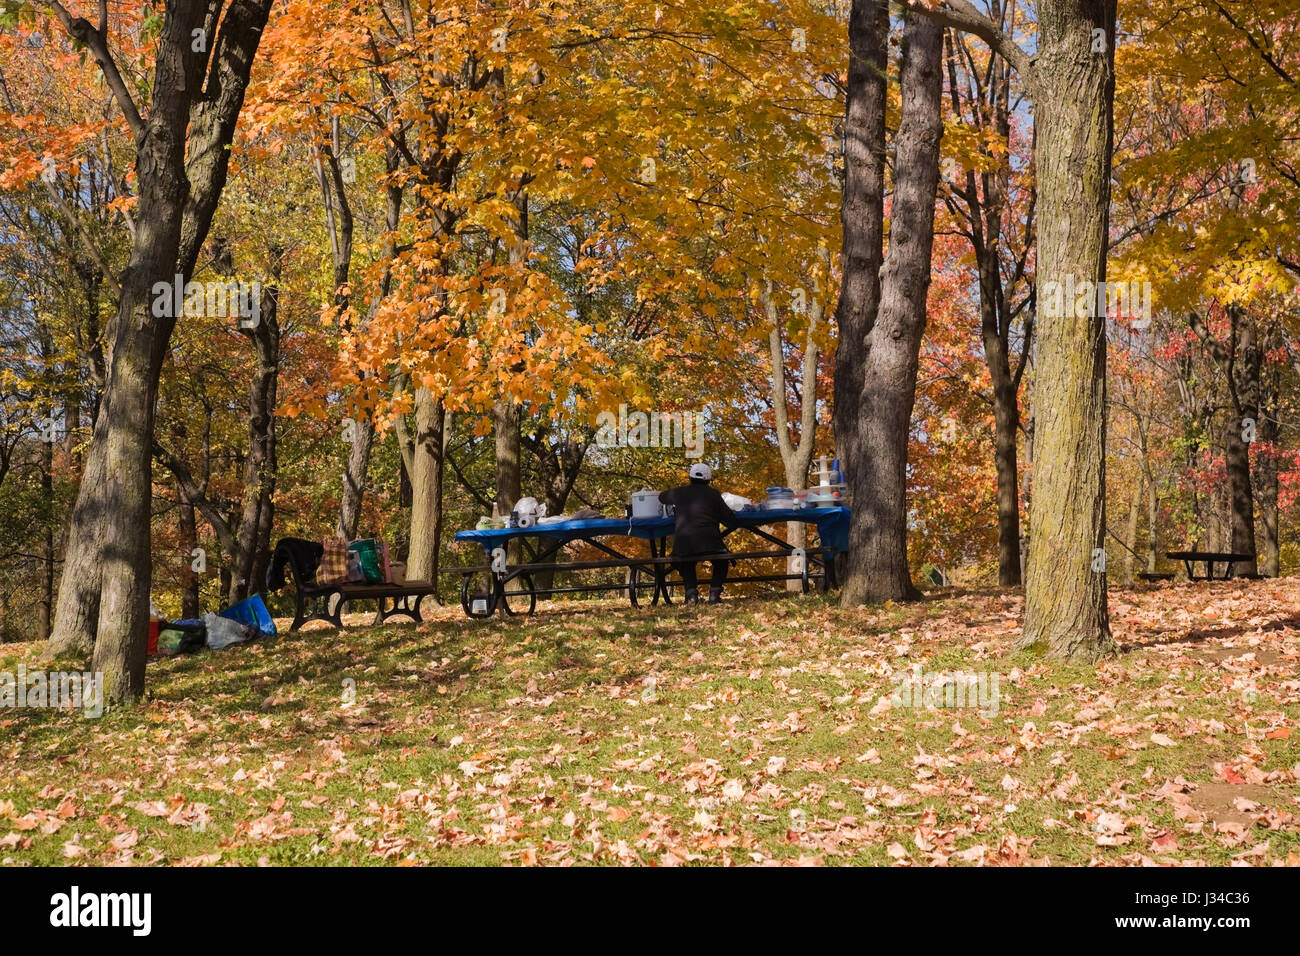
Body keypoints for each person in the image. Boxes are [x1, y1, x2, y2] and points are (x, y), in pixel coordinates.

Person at [659, 463, 736, 605]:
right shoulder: (714, 494)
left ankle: (691, 594)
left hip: (684, 543)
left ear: (690, 477)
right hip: (711, 542)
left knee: (686, 561)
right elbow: (729, 518)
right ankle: (714, 592)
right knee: (722, 561)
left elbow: (662, 497)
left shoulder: (680, 492)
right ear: (708, 480)